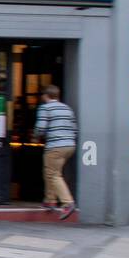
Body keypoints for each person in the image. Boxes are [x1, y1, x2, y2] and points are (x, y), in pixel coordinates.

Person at [34, 84, 77, 220]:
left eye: (42, 95)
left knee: (53, 175)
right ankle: (49, 201)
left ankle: (68, 203)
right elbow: (75, 129)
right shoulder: (67, 108)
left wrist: (35, 136)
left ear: (46, 96)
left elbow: (40, 128)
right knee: (50, 172)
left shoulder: (45, 108)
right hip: (69, 146)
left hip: (55, 146)